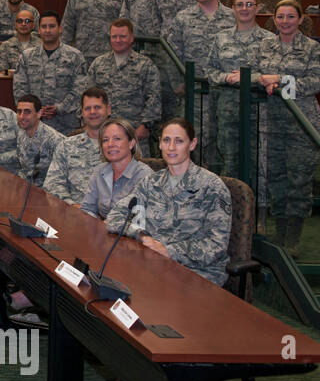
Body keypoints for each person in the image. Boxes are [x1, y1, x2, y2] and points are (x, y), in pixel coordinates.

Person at [105, 119, 231, 285]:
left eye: (179, 141)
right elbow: (115, 217)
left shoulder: (212, 187)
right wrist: (141, 235)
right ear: (159, 145)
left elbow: (216, 246)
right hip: (153, 265)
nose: (171, 147)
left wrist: (169, 251)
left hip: (196, 273)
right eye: (166, 140)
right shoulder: (151, 182)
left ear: (192, 144)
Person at [257, 0, 320, 257]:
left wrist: (281, 80)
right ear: (274, 20)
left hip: (302, 125)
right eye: (280, 17)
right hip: (271, 123)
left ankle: (293, 239)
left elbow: (315, 82)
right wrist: (260, 80)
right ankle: (280, 234)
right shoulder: (265, 46)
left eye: (290, 17)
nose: (285, 21)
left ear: (300, 20)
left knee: (298, 182)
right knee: (276, 181)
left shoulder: (312, 48)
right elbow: (256, 74)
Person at [166, 0, 235, 167]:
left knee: (224, 143)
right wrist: (178, 83)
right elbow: (172, 53)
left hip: (225, 92)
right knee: (195, 141)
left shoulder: (232, 17)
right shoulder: (183, 18)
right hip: (194, 94)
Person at [206, 0, 272, 188]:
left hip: (259, 111)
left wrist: (249, 78)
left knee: (258, 163)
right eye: (240, 4)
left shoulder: (269, 40)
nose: (244, 9)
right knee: (230, 162)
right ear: (233, 8)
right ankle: (232, 210)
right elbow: (210, 70)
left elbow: (274, 73)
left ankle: (258, 214)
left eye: (249, 4)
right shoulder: (221, 38)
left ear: (258, 8)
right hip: (228, 111)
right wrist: (226, 77)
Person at [86, 19, 159, 155]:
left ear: (131, 38)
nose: (118, 40)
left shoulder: (145, 65)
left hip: (135, 135)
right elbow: (88, 97)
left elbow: (154, 98)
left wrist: (146, 125)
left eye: (122, 36)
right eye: (114, 36)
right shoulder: (98, 64)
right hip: (104, 135)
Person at [13, 11, 90, 134]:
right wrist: (35, 109)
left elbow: (81, 88)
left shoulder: (75, 56)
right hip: (35, 124)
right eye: (44, 27)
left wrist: (60, 108)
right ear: (38, 30)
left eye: (52, 26)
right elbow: (20, 89)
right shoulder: (26, 57)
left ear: (60, 29)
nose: (47, 30)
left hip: (67, 124)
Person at [43, 87, 111, 204]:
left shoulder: (121, 146)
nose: (92, 112)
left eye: (97, 107)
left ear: (108, 110)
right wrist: (72, 205)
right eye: (88, 108)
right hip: (73, 214)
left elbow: (132, 187)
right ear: (82, 113)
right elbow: (52, 184)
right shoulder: (67, 145)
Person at [79, 118, 150, 218]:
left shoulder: (145, 176)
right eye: (105, 140)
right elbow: (87, 209)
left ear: (131, 144)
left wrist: (108, 225)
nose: (110, 144)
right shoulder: (99, 171)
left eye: (117, 139)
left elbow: (140, 221)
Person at [15, 94, 64, 186]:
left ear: (39, 113)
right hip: (28, 187)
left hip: (48, 191)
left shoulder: (54, 140)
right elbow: (25, 170)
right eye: (19, 112)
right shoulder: (22, 134)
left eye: (27, 112)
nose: (22, 116)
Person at [0, 8, 38, 74]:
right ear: (15, 25)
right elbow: (2, 72)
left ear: (33, 25)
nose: (23, 24)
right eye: (20, 21)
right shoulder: (5, 46)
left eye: (27, 21)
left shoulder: (41, 45)